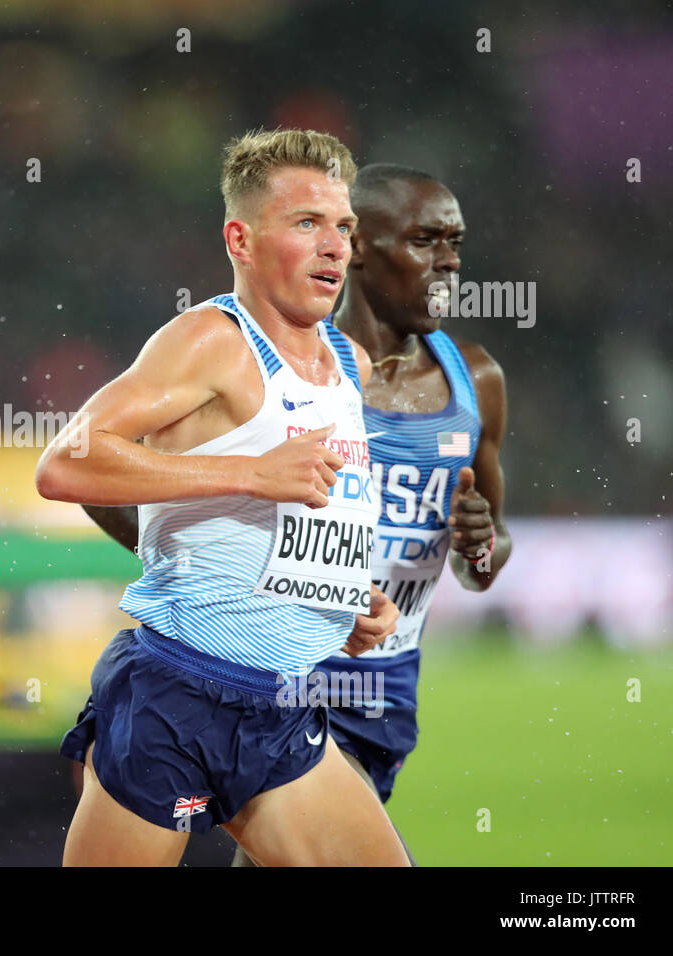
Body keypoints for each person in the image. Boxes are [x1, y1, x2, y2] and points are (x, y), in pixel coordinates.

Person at [85, 164, 512, 866]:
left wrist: (479, 546)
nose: (451, 261)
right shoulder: (261, 356)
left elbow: (483, 568)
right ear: (366, 249)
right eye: (427, 239)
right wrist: (226, 577)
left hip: (381, 674)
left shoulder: (460, 380)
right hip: (263, 668)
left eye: (455, 242)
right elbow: (84, 467)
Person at [36, 129, 407, 866]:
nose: (335, 247)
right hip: (175, 695)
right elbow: (65, 465)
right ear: (241, 237)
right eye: (307, 224)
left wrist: (341, 598)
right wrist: (248, 473)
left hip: (280, 705)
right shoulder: (212, 342)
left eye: (344, 227)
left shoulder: (350, 364)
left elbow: (296, 518)